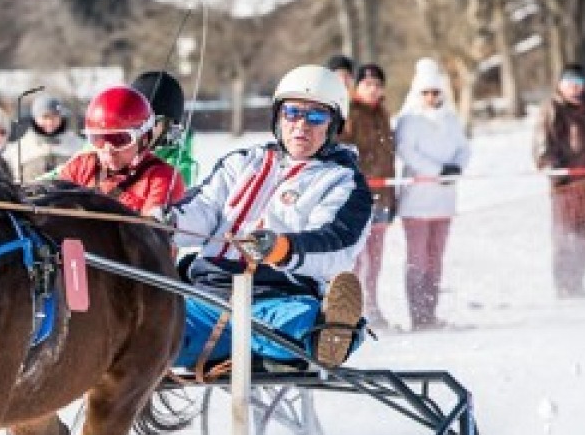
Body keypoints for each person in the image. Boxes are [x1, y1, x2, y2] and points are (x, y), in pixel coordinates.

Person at [169, 64, 370, 370]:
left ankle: (327, 335)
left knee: (301, 320)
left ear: (333, 125)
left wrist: (282, 249)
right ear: (278, 116)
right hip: (208, 296)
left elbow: (337, 246)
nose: (301, 125)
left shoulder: (342, 181)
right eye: (292, 113)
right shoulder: (243, 162)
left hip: (276, 298)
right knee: (152, 324)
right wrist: (169, 223)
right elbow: (203, 208)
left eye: (316, 116)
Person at [394, 59, 470, 330]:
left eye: (435, 92)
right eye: (425, 92)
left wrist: (457, 166)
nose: (431, 97)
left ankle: (431, 311)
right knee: (418, 258)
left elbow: (463, 147)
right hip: (417, 201)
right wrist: (438, 170)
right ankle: (417, 314)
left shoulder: (451, 118)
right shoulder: (409, 120)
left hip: (444, 201)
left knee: (436, 257)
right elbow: (407, 151)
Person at [535, 63, 585, 298]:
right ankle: (563, 284)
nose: (574, 88)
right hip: (565, 184)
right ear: (561, 85)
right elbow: (542, 142)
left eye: (578, 83)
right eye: (569, 82)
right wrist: (552, 165)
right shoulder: (553, 108)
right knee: (565, 236)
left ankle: (578, 282)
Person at [56, 85, 185, 217]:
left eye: (119, 139)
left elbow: (153, 232)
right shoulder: (80, 167)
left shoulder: (161, 178)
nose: (108, 150)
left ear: (144, 138)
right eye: (98, 139)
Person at [338, 63, 396, 329]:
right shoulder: (350, 112)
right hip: (356, 196)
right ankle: (350, 311)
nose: (373, 90)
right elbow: (342, 146)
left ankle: (372, 305)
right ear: (358, 86)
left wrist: (391, 194)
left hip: (381, 195)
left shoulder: (383, 114)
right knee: (356, 258)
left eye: (377, 85)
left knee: (376, 257)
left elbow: (388, 158)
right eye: (367, 84)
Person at [130, 70, 197, 185]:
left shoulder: (177, 166)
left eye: (151, 122)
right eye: (134, 120)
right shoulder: (109, 148)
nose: (142, 129)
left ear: (170, 126)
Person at [5, 94, 84, 181]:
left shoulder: (77, 145)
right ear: (35, 118)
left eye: (55, 116)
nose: (50, 122)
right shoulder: (18, 149)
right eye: (45, 117)